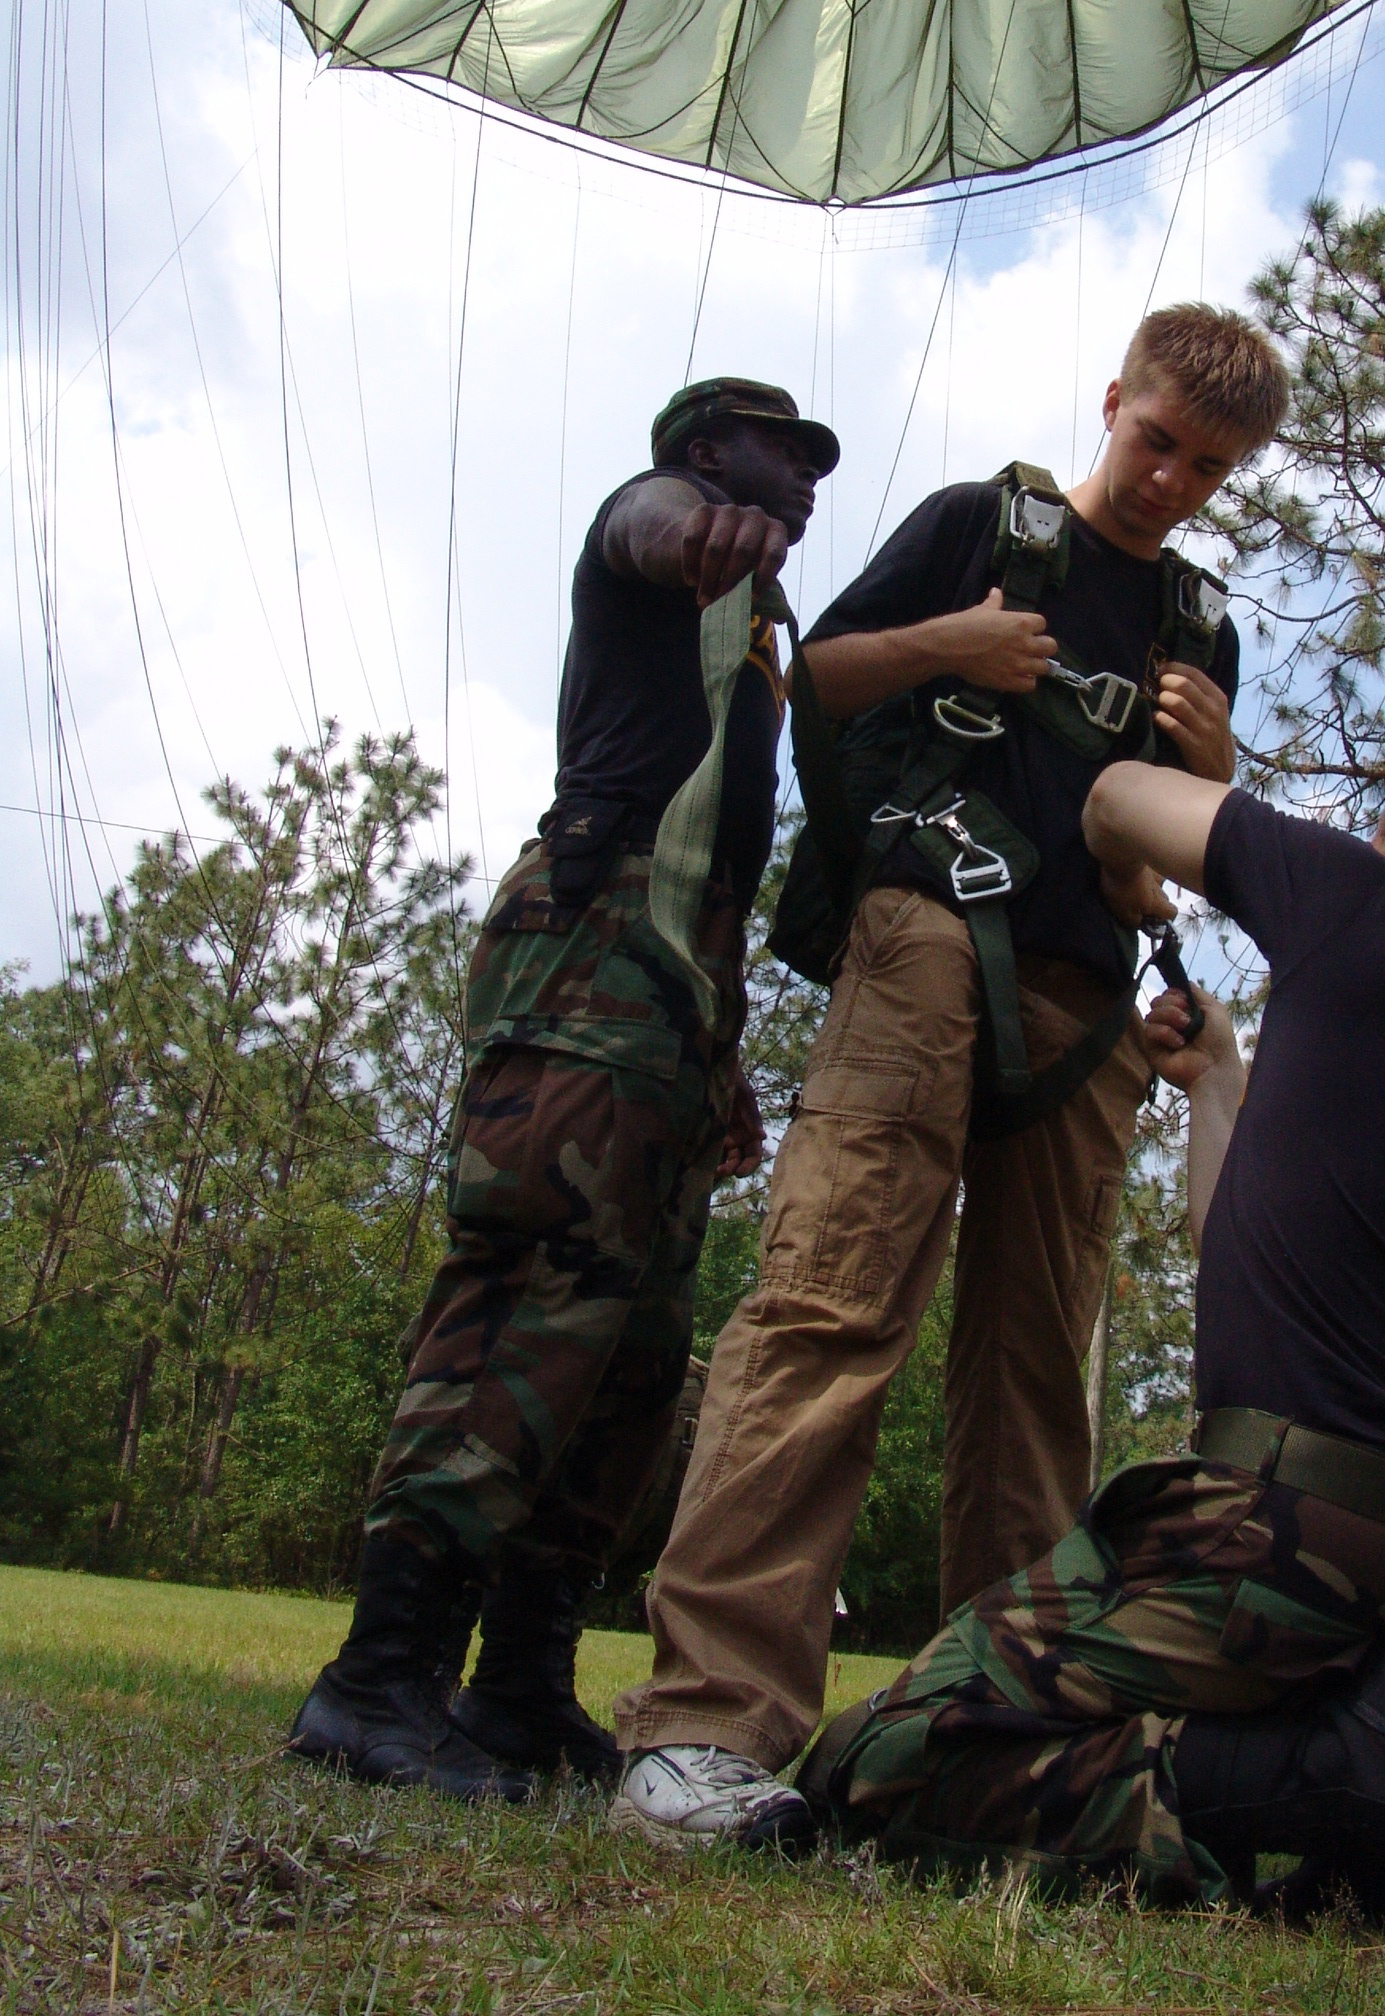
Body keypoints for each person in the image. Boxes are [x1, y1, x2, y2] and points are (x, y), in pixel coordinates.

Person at [609, 307, 1289, 1847]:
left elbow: (1148, 857)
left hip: (1087, 1009)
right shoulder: (981, 524)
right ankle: (705, 1732)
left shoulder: (1200, 630)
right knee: (831, 1305)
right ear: (1113, 400)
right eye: (1158, 440)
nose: (1174, 479)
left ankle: (994, 1744)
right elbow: (825, 676)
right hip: (923, 944)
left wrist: (1215, 779)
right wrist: (957, 646)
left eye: (1210, 466)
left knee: (1038, 1372)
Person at [797, 754, 1385, 1945]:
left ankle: (1353, 1777)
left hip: (1293, 1541)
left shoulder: (1382, 905)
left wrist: (1130, 880)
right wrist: (1221, 1079)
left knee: (878, 1761)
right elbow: (1238, 1257)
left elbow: (1114, 790)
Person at [288, 378, 838, 1803]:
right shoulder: (657, 525)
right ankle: (376, 1678)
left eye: (814, 473)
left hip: (671, 999)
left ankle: (516, 1694)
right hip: (585, 961)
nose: (807, 486)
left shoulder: (757, 634)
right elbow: (645, 530)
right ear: (709, 451)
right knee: (529, 1303)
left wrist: (716, 1053)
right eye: (784, 458)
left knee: (635, 1360)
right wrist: (703, 531)